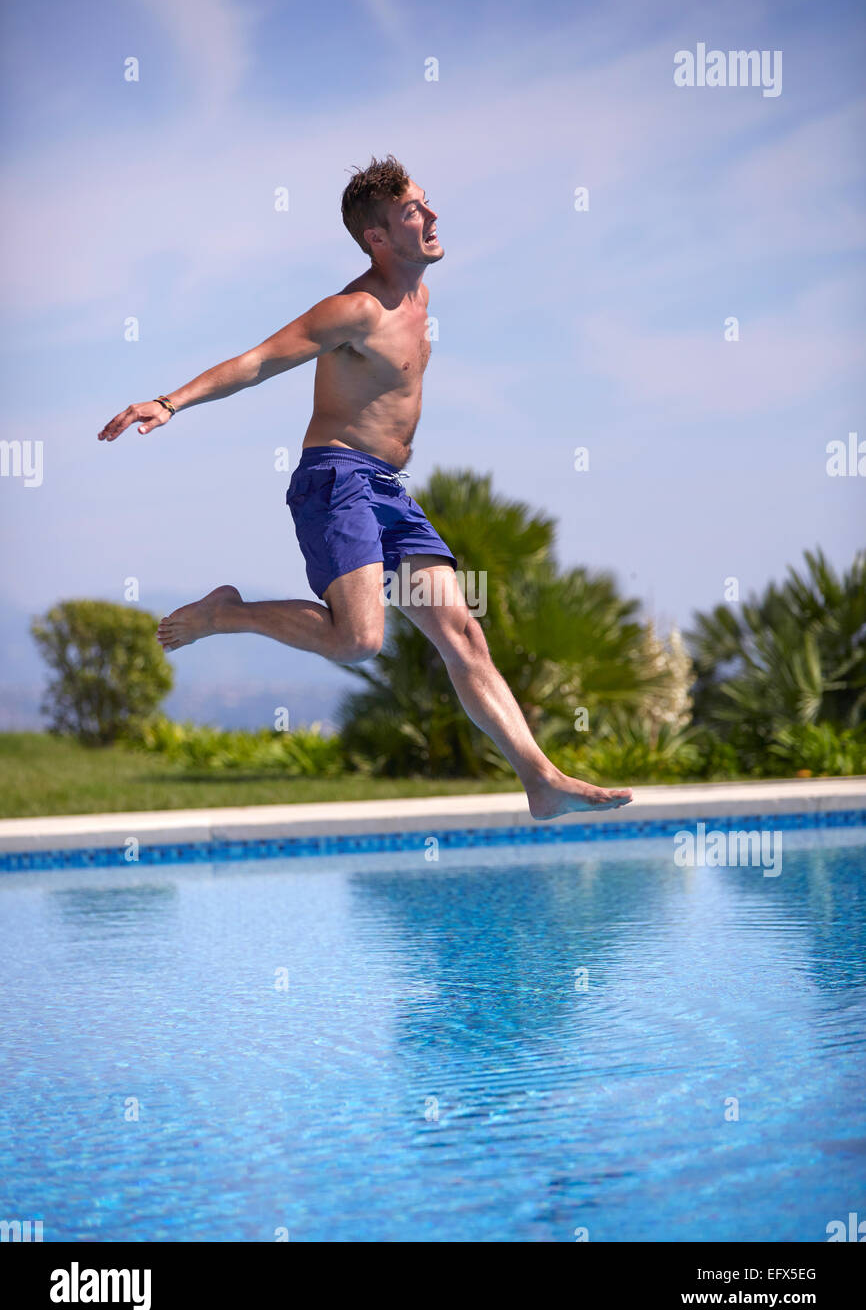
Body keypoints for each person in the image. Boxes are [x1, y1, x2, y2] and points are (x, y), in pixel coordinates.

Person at [98, 155, 632, 818]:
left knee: (463, 635)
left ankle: (540, 780)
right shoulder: (354, 309)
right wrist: (169, 403)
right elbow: (260, 360)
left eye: (426, 203)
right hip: (337, 481)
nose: (433, 217)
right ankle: (223, 613)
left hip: (388, 489)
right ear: (378, 237)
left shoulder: (421, 297)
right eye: (414, 211)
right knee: (358, 643)